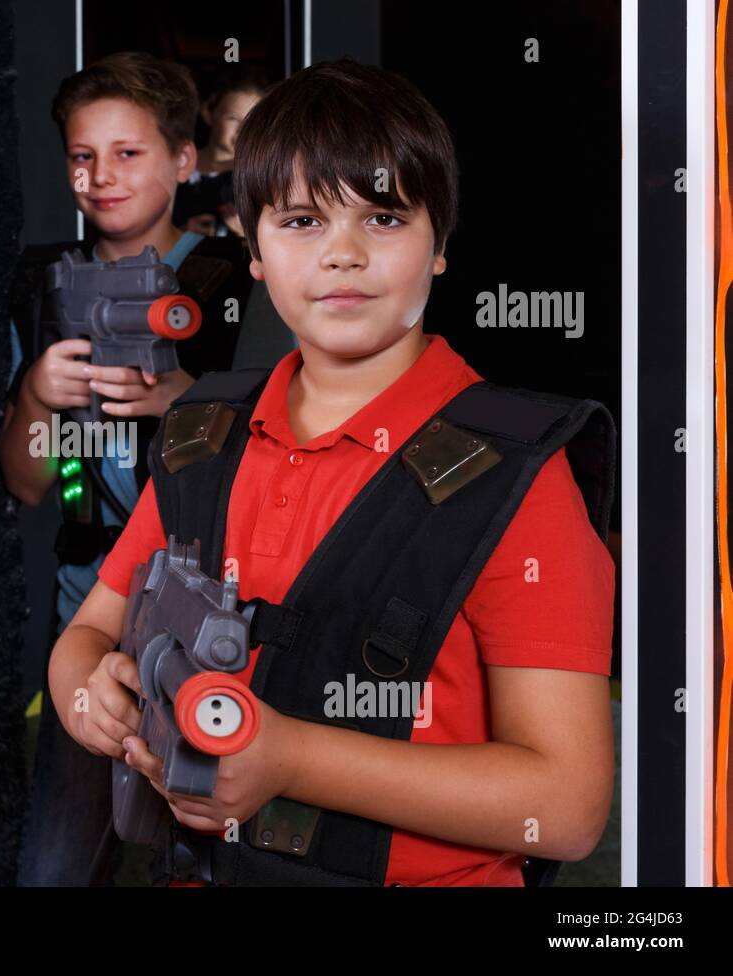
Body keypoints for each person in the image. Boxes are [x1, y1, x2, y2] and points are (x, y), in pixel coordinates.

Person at [49, 59, 616, 886]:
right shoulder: (204, 434)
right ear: (252, 246)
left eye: (383, 219)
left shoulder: (512, 475)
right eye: (304, 221)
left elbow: (566, 808)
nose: (344, 254)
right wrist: (93, 698)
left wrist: (291, 759)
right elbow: (83, 639)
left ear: (441, 243)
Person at [1, 51, 291, 885]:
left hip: (222, 610)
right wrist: (36, 396)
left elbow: (293, 462)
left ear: (185, 160)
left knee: (218, 857)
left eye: (129, 154)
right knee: (55, 866)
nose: (102, 177)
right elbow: (26, 484)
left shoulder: (245, 279)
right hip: (88, 614)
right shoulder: (43, 285)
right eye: (83, 157)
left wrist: (190, 400)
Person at [173, 69, 267, 237]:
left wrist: (245, 233)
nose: (242, 130)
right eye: (233, 118)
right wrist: (179, 233)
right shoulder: (175, 165)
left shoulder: (262, 176)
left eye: (252, 120)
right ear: (208, 113)